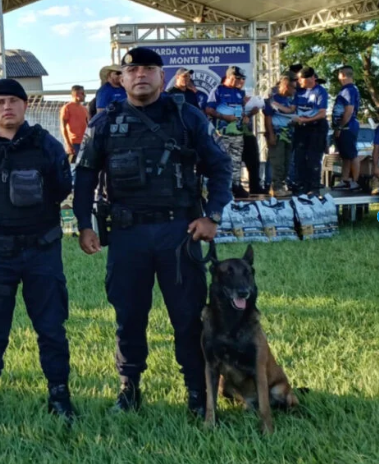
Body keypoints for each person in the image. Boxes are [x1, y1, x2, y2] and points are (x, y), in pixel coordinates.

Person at [73, 48, 232, 418]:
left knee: (187, 316)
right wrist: (83, 224)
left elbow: (220, 166)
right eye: (132, 70)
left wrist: (212, 216)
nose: (140, 75)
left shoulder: (187, 115)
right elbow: (84, 176)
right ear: (122, 78)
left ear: (162, 76)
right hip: (127, 234)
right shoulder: (105, 121)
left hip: (179, 232)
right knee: (128, 316)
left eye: (148, 69)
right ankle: (129, 388)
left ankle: (197, 391)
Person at [0, 78, 75, 426]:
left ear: (26, 105)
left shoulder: (47, 146)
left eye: (13, 100)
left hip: (42, 250)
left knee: (51, 327)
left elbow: (61, 187)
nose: (7, 107)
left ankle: (59, 394)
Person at [206, 66, 251, 198]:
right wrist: (224, 117)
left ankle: (236, 186)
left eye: (242, 78)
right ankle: (223, 187)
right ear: (229, 77)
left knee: (236, 161)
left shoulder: (239, 93)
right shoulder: (218, 90)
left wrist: (244, 117)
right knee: (223, 160)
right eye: (237, 78)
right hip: (222, 133)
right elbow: (209, 109)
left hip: (237, 132)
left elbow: (239, 110)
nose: (240, 81)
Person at [293, 67, 329, 195]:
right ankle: (302, 185)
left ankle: (314, 187)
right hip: (301, 128)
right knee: (299, 158)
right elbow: (292, 107)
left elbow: (322, 113)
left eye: (301, 79)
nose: (299, 81)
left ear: (311, 78)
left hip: (316, 127)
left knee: (313, 158)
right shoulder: (298, 91)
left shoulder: (320, 91)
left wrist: (307, 120)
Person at [263, 74, 298, 197]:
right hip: (277, 134)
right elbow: (268, 118)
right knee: (277, 162)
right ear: (286, 86)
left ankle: (281, 186)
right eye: (293, 88)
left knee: (287, 162)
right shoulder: (273, 100)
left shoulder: (290, 100)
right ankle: (276, 187)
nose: (295, 90)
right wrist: (271, 134)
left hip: (288, 134)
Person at [235, 75, 266, 195]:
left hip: (248, 134)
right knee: (235, 163)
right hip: (235, 135)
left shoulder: (248, 99)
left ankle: (255, 186)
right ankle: (236, 186)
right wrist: (247, 114)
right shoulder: (231, 98)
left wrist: (251, 112)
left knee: (253, 162)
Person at [332, 65, 361, 191]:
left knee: (352, 154)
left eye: (339, 74)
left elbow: (349, 111)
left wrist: (340, 126)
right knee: (345, 155)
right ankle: (345, 179)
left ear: (343, 75)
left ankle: (355, 181)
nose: (338, 77)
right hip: (344, 127)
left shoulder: (349, 90)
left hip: (348, 127)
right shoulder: (345, 90)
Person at [60, 85, 89, 163]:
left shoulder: (84, 109)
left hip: (84, 142)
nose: (85, 95)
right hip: (73, 143)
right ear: (76, 94)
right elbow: (63, 127)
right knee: (74, 165)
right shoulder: (67, 108)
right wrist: (68, 144)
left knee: (84, 165)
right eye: (82, 93)